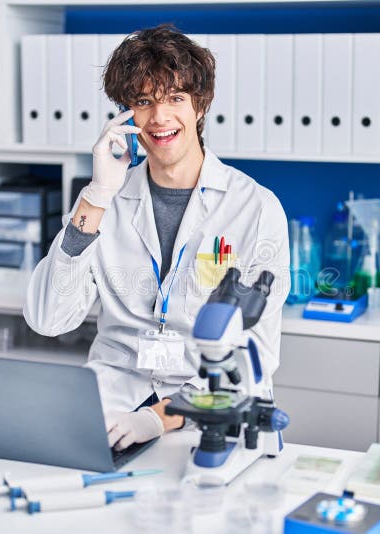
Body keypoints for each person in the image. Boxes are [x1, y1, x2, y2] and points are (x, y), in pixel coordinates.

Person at [24, 25, 289, 452]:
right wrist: (97, 195)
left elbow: (255, 352)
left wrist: (161, 416)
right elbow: (48, 319)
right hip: (113, 404)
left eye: (174, 98)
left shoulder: (255, 208)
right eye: (144, 102)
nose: (159, 118)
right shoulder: (102, 202)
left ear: (200, 106)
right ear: (127, 116)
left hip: (212, 412)